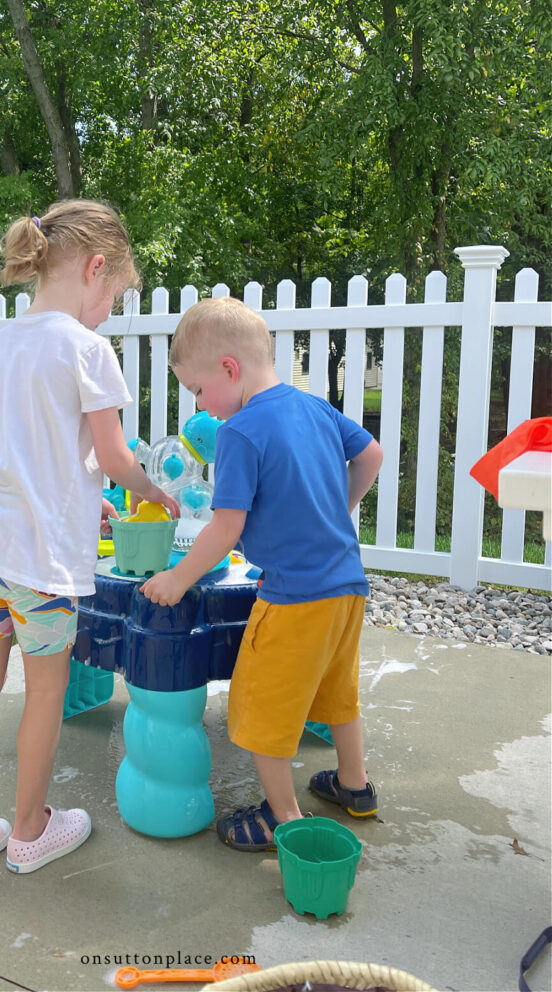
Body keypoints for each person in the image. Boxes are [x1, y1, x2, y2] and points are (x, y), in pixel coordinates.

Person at [0, 200, 180, 881]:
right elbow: (115, 459)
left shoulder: (7, 340)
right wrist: (151, 491)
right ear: (96, 270)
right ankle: (29, 828)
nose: (108, 314)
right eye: (113, 297)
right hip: (38, 566)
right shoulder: (88, 350)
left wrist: (82, 501)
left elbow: (30, 452)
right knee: (44, 691)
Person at [141, 297, 383, 850]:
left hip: (295, 598)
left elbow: (226, 527)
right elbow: (371, 455)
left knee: (261, 708)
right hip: (348, 589)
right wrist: (333, 511)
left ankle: (284, 818)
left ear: (228, 369)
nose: (202, 406)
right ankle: (354, 785)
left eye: (199, 391)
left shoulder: (240, 432)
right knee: (337, 691)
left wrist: (178, 579)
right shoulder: (316, 407)